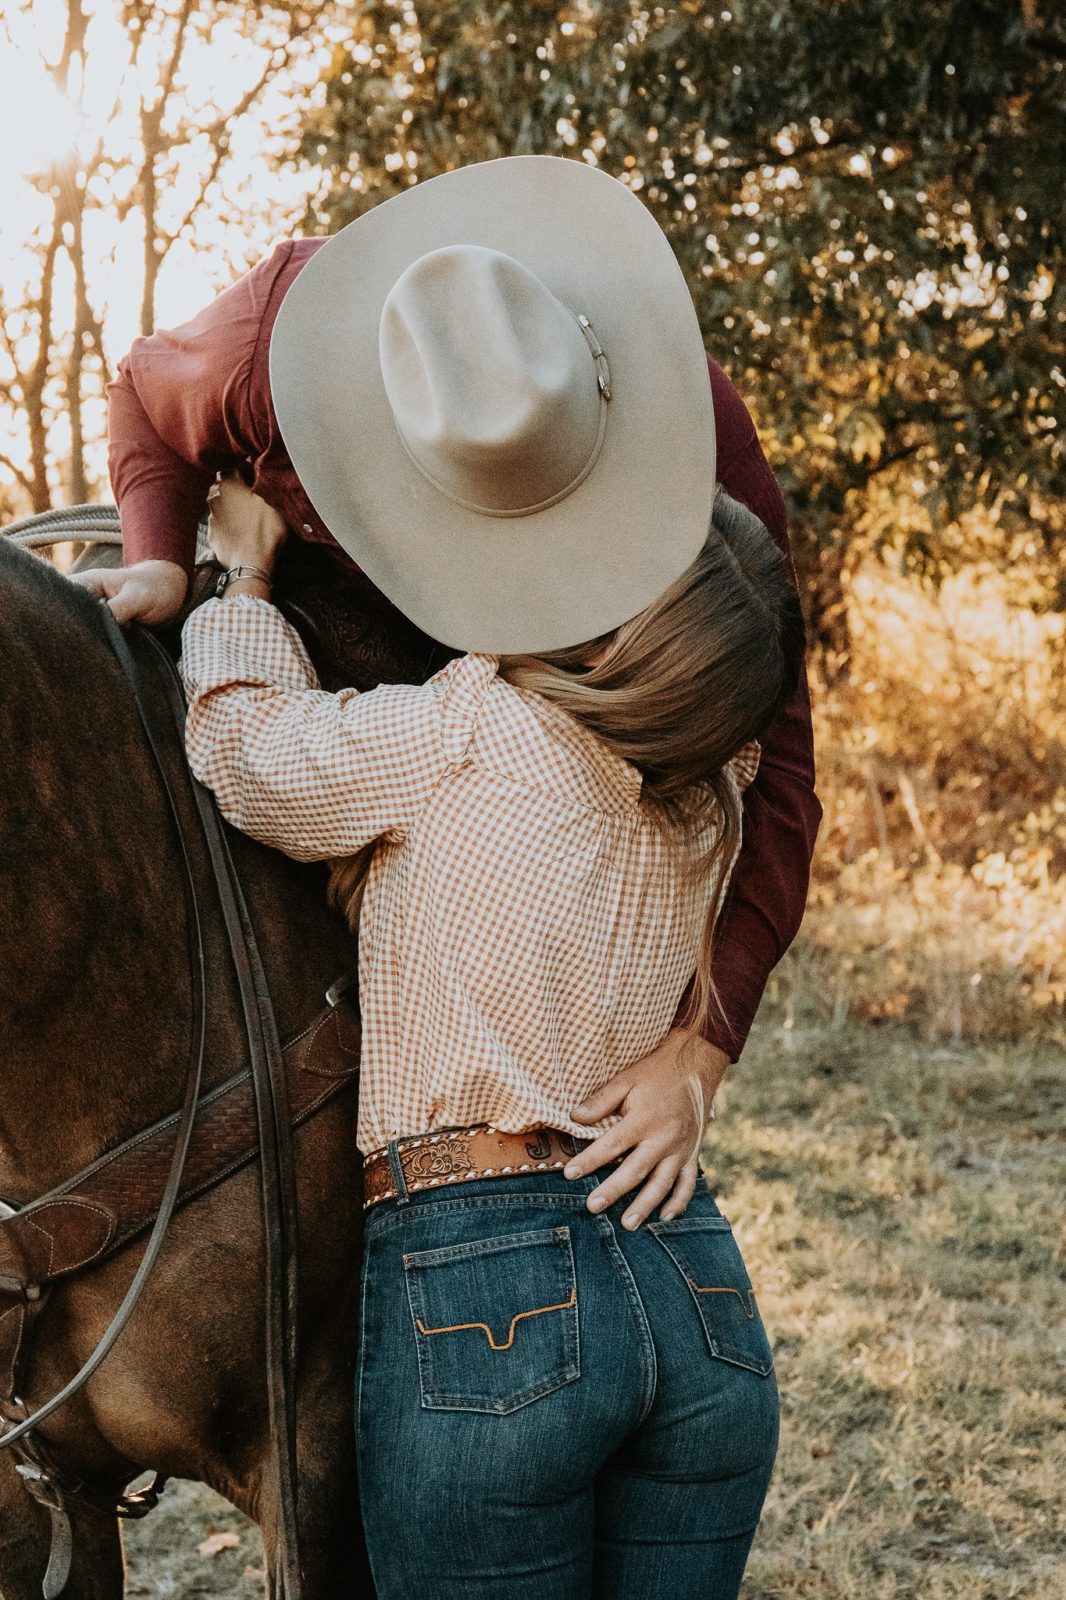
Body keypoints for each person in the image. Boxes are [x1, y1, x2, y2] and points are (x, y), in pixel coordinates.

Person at [177, 157, 807, 1597]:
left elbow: (255, 760)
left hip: (485, 1293)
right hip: (693, 1283)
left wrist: (242, 587)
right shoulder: (713, 796)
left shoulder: (481, 728)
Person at [74, 160, 821, 1187]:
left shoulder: (693, 435)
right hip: (319, 659)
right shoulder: (268, 348)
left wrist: (699, 1047)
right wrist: (159, 551)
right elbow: (147, 398)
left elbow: (770, 753)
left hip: (526, 735)